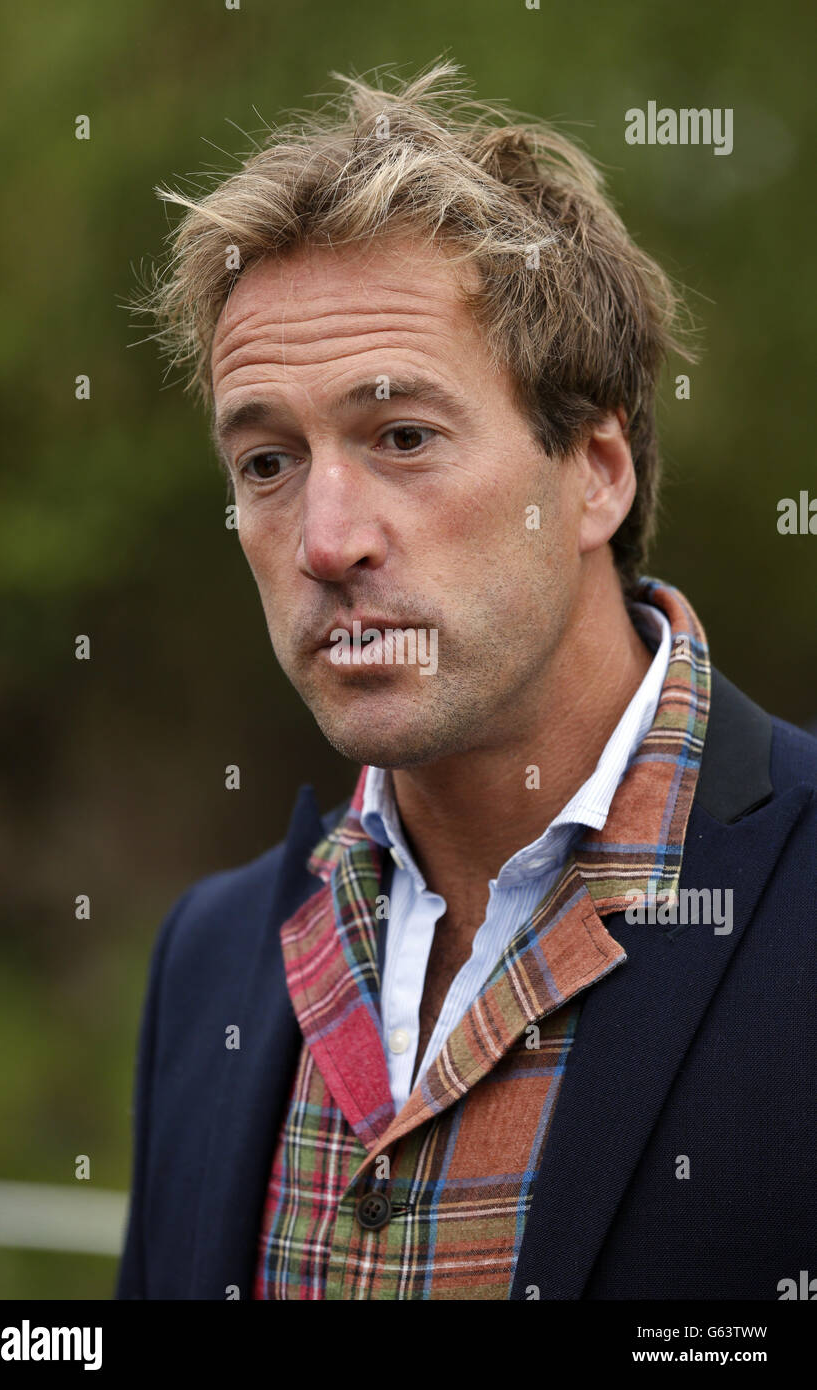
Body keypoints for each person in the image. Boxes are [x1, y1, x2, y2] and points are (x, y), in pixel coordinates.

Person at [116, 61, 817, 1300]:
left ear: (595, 471)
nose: (327, 540)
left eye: (401, 436)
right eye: (268, 459)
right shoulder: (213, 959)